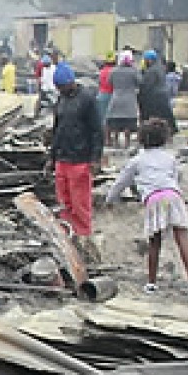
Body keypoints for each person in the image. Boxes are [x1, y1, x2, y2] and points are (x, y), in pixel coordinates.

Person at [105, 119, 188, 293]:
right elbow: (175, 177)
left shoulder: (137, 160)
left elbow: (121, 182)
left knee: (154, 241)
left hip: (154, 199)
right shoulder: (170, 158)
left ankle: (151, 282)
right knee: (182, 236)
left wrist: (110, 199)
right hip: (173, 195)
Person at [46, 62, 104, 256]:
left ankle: (84, 237)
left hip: (80, 159)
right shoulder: (60, 101)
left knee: (80, 203)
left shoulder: (87, 100)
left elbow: (97, 131)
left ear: (71, 82)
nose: (60, 91)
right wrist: (51, 157)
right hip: (62, 158)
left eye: (62, 87)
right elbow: (57, 130)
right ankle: (67, 236)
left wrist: (95, 159)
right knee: (64, 202)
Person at [107, 51, 141, 149]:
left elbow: (109, 82)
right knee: (128, 123)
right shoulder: (134, 71)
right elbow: (140, 82)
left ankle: (116, 141)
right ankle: (127, 142)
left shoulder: (114, 71)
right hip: (129, 98)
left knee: (116, 122)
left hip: (116, 97)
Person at [137, 49, 176, 133]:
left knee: (152, 118)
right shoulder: (161, 68)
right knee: (165, 117)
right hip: (163, 96)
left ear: (149, 60)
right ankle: (168, 134)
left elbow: (146, 86)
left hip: (154, 98)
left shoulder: (151, 71)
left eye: (146, 60)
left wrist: (139, 95)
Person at [96, 52, 115, 127]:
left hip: (102, 95)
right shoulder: (115, 71)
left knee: (102, 118)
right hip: (112, 95)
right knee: (112, 118)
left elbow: (99, 83)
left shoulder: (101, 72)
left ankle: (104, 136)